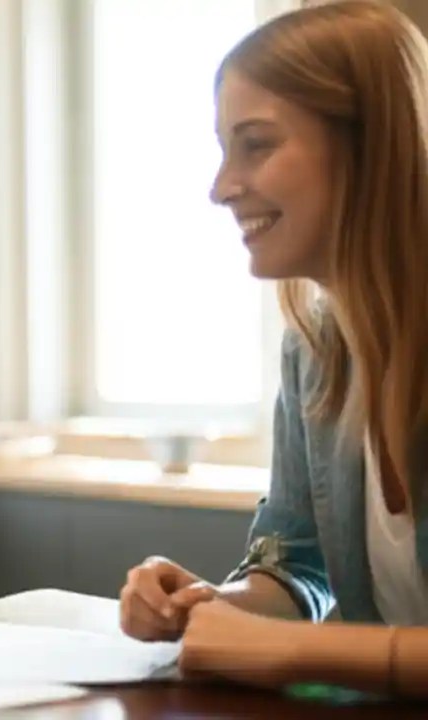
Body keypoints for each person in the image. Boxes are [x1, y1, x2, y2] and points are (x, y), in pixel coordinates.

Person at [118, 0, 428, 697]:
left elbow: (299, 639)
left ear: (371, 146)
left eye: (255, 145)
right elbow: (300, 564)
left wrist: (289, 651)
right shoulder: (315, 348)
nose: (222, 186)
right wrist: (210, 606)